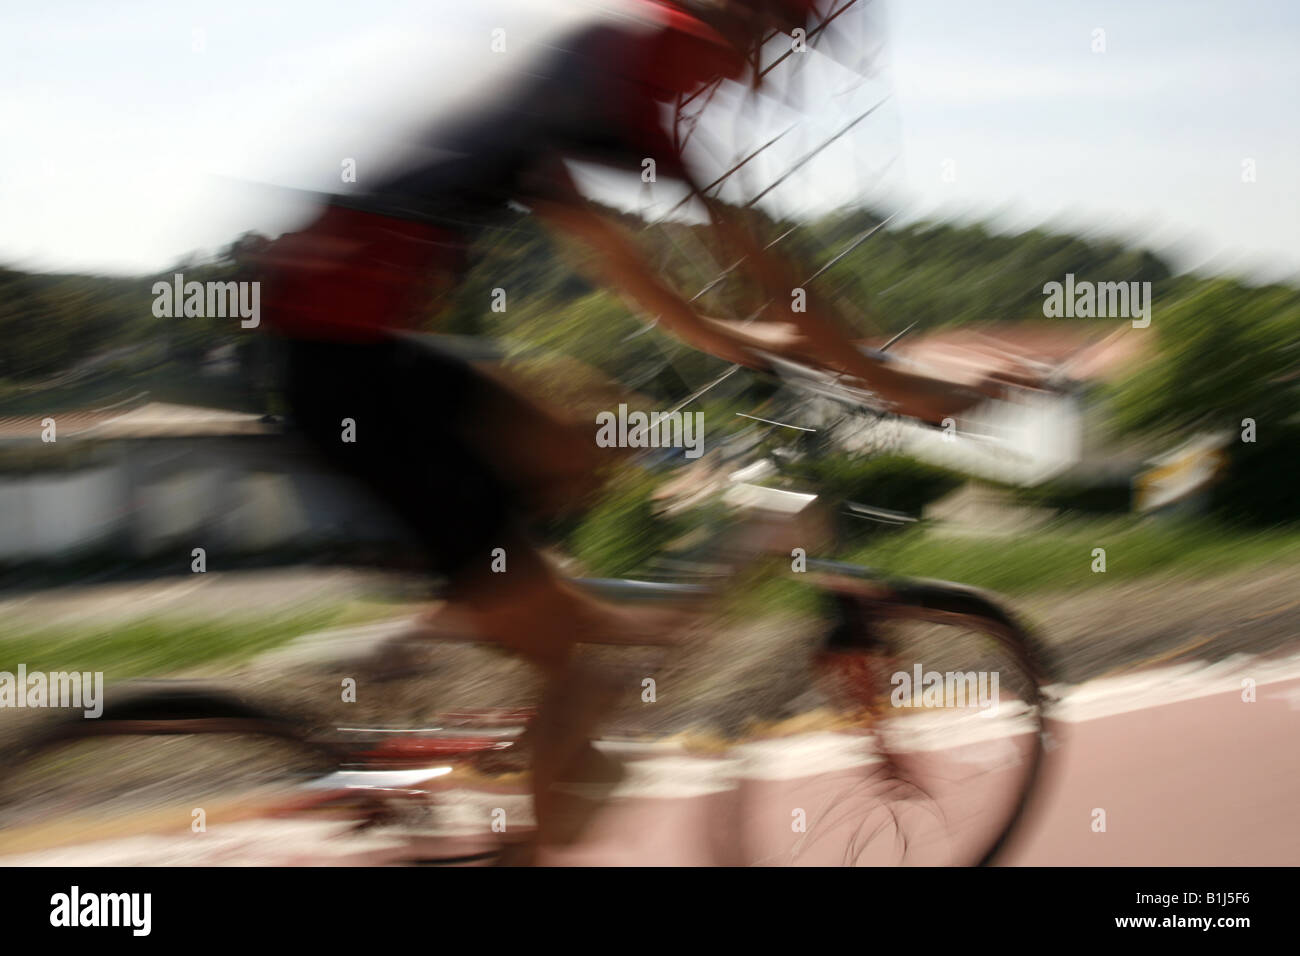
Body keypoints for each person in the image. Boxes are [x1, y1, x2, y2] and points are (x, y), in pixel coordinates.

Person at [258, 0, 985, 860]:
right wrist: (897, 382)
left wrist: (732, 339)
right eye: (794, 43)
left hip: (348, 344)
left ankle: (450, 624)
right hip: (348, 369)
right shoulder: (662, 48)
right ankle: (522, 696)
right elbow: (745, 247)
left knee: (599, 432)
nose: (777, 75)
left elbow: (605, 243)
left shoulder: (602, 50)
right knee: (590, 706)